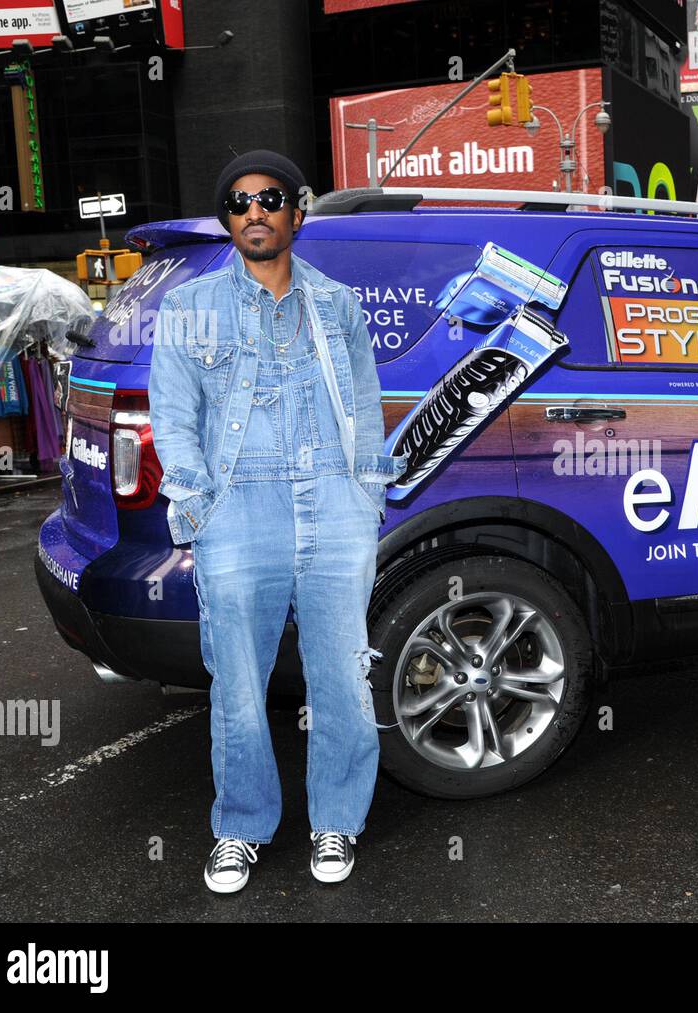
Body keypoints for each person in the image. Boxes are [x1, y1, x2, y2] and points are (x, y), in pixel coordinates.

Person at [148, 150, 406, 894]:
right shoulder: (189, 307)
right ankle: (241, 826)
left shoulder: (338, 305)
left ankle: (337, 819)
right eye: (238, 202)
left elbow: (364, 406)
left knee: (343, 679)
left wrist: (366, 496)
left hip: (333, 500)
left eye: (268, 199)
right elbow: (173, 415)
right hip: (238, 506)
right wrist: (200, 504)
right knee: (236, 684)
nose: (253, 212)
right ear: (226, 219)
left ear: (296, 212)